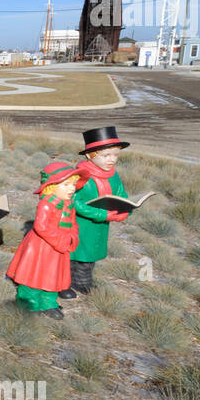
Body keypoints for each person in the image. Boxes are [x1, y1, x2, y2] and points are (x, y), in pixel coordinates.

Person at [6, 161, 87, 318]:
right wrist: (61, 239)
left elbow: (73, 223)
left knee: (53, 275)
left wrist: (73, 236)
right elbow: (41, 227)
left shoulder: (68, 204)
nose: (72, 189)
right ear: (51, 187)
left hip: (59, 247)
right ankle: (29, 301)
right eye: (66, 185)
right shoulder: (46, 204)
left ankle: (48, 302)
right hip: (41, 247)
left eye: (73, 184)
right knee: (34, 274)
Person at [68, 126, 133, 295]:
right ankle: (74, 283)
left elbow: (120, 194)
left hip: (101, 226)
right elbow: (75, 202)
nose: (111, 159)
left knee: (92, 255)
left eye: (115, 155)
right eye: (106, 155)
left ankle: (84, 281)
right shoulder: (81, 176)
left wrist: (125, 209)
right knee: (78, 255)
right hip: (82, 225)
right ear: (90, 155)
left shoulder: (113, 175)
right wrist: (102, 214)